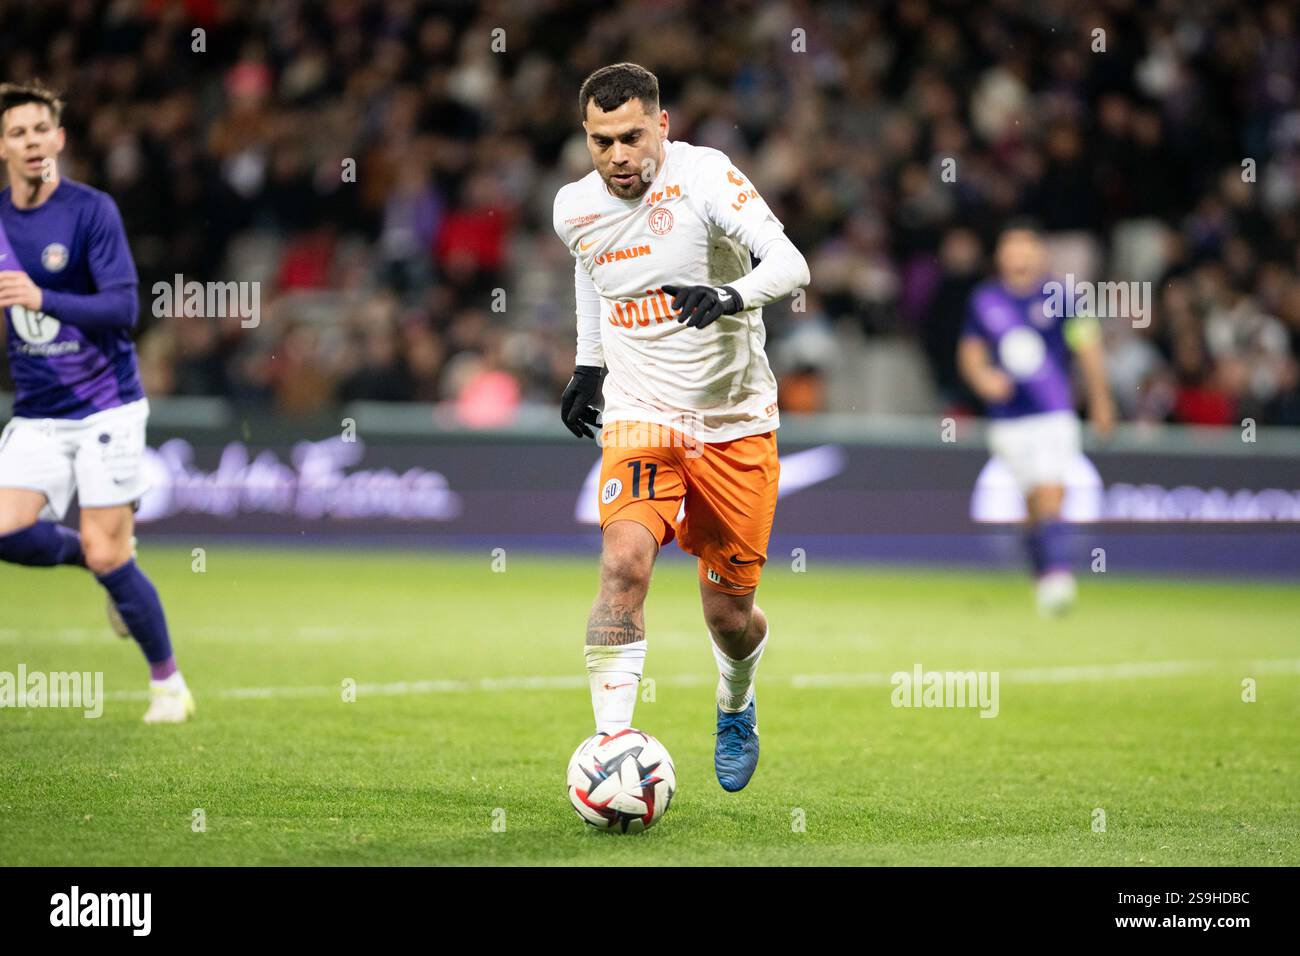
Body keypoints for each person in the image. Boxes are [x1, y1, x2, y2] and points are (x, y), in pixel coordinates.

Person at [552, 63, 809, 792]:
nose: (617, 156)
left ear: (662, 125)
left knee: (730, 616)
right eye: (602, 141)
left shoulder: (705, 178)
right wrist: (589, 364)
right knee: (623, 566)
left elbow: (792, 265)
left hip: (735, 423)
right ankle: (612, 748)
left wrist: (730, 295)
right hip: (640, 419)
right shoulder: (573, 207)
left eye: (632, 136)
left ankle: (736, 700)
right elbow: (589, 265)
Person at [0, 82, 193, 722]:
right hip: (37, 410)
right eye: (17, 132)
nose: (31, 142)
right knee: (11, 533)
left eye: (40, 131)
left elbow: (124, 308)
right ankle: (102, 561)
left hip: (105, 405)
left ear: (59, 139)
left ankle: (169, 684)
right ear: (3, 147)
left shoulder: (90, 211)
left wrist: (41, 297)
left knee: (109, 550)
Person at [958, 224, 1114, 615]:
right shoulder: (985, 300)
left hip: (1053, 415)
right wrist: (983, 379)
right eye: (1011, 248)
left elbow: (1088, 346)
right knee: (1031, 506)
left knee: (1049, 493)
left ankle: (1059, 578)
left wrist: (1100, 400)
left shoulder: (1061, 297)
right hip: (1007, 420)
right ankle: (1044, 578)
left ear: (1039, 255)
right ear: (1000, 256)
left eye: (1025, 248)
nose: (1018, 256)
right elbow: (970, 351)